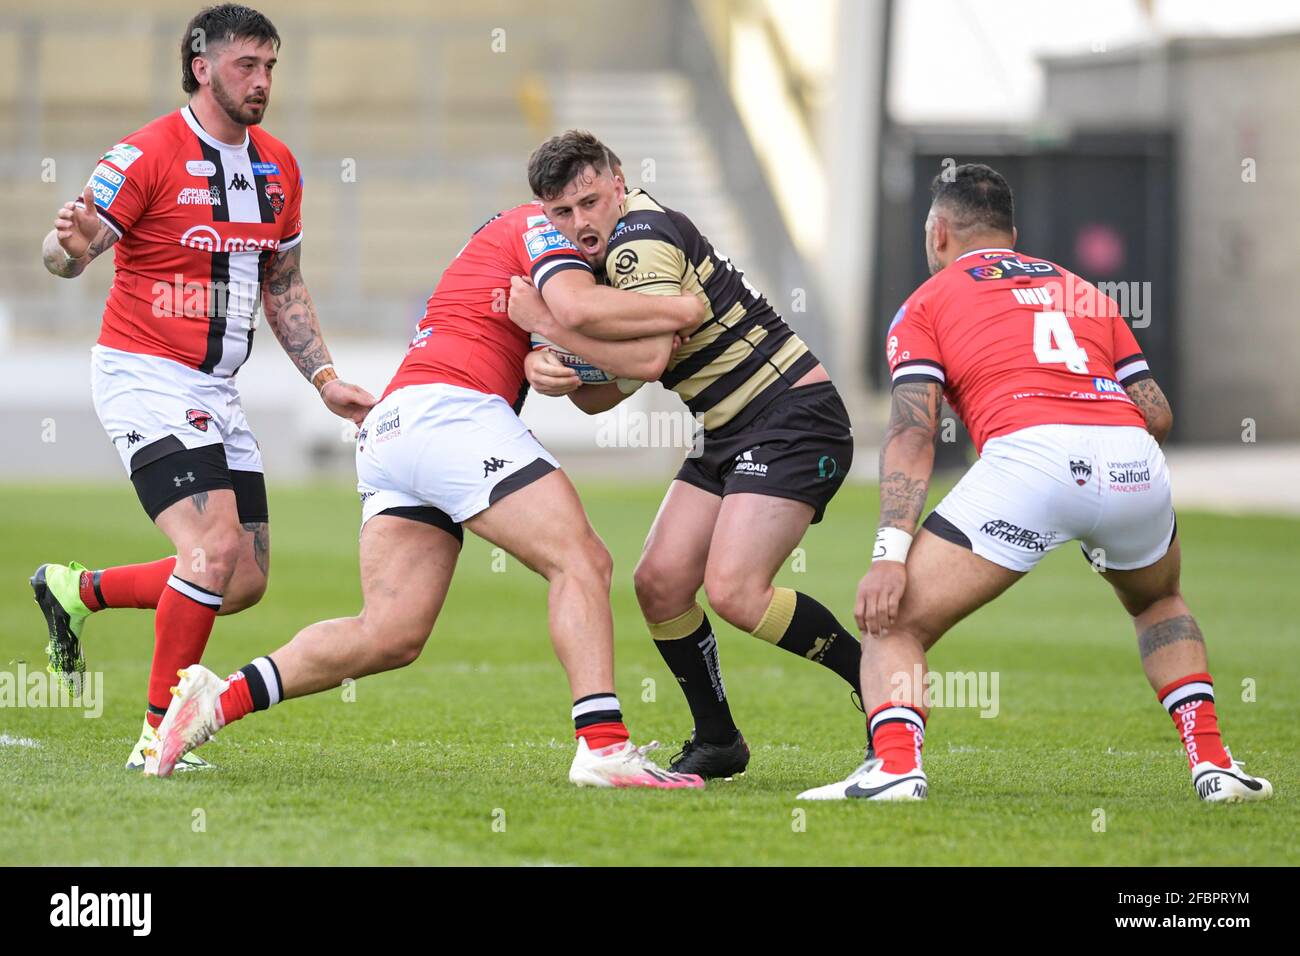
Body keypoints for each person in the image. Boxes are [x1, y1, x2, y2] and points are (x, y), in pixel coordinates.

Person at [147, 195, 706, 790]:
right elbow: (575, 311)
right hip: (452, 413)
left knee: (388, 632)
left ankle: (217, 700)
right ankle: (603, 746)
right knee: (581, 559)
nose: (583, 222)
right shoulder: (541, 223)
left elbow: (574, 363)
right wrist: (677, 309)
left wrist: (562, 360)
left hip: (397, 426)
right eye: (576, 205)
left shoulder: (513, 247)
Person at [798, 163, 1273, 803]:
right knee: (1158, 603)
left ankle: (895, 769)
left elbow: (913, 433)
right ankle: (1215, 765)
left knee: (891, 622)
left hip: (1033, 458)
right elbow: (1157, 412)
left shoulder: (927, 303)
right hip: (1131, 454)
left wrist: (889, 554)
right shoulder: (1083, 290)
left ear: (938, 232)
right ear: (1012, 235)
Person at [31, 4, 373, 770]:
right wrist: (68, 245)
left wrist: (324, 378)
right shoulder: (144, 154)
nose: (262, 81)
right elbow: (65, 256)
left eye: (271, 67)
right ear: (202, 66)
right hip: (143, 373)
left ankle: (74, 590)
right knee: (212, 551)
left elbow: (282, 280)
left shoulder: (277, 165)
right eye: (247, 65)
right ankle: (160, 734)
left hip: (218, 388)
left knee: (241, 577)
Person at [507, 130, 862, 780]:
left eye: (590, 201)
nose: (581, 223)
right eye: (563, 212)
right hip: (729, 428)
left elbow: (646, 357)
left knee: (734, 590)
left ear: (618, 180)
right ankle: (719, 738)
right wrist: (554, 370)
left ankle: (879, 684)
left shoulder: (639, 237)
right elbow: (603, 397)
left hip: (790, 416)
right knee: (661, 583)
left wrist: (550, 327)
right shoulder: (603, 259)